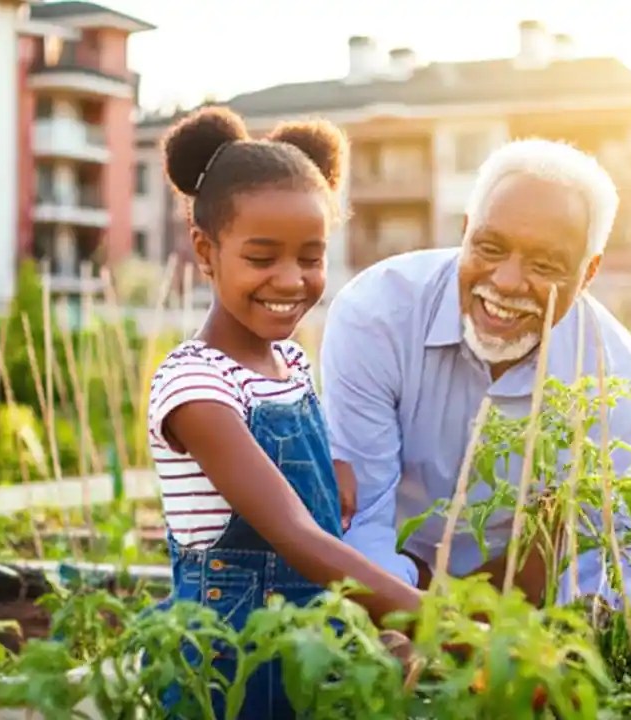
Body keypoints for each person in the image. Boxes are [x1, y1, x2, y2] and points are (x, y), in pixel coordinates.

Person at [145, 106, 422, 718]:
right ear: (205, 249)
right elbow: (293, 532)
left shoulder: (291, 366)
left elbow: (318, 514)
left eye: (311, 256)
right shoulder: (195, 384)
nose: (291, 279)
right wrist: (426, 618)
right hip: (231, 669)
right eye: (262, 257)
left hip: (307, 651)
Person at [320, 138, 631, 608]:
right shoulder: (377, 315)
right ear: (465, 231)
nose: (505, 281)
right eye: (490, 247)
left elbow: (591, 567)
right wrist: (411, 623)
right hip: (387, 582)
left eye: (544, 265)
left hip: (517, 599)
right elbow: (364, 517)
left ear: (589, 272)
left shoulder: (617, 380)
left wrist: (535, 653)